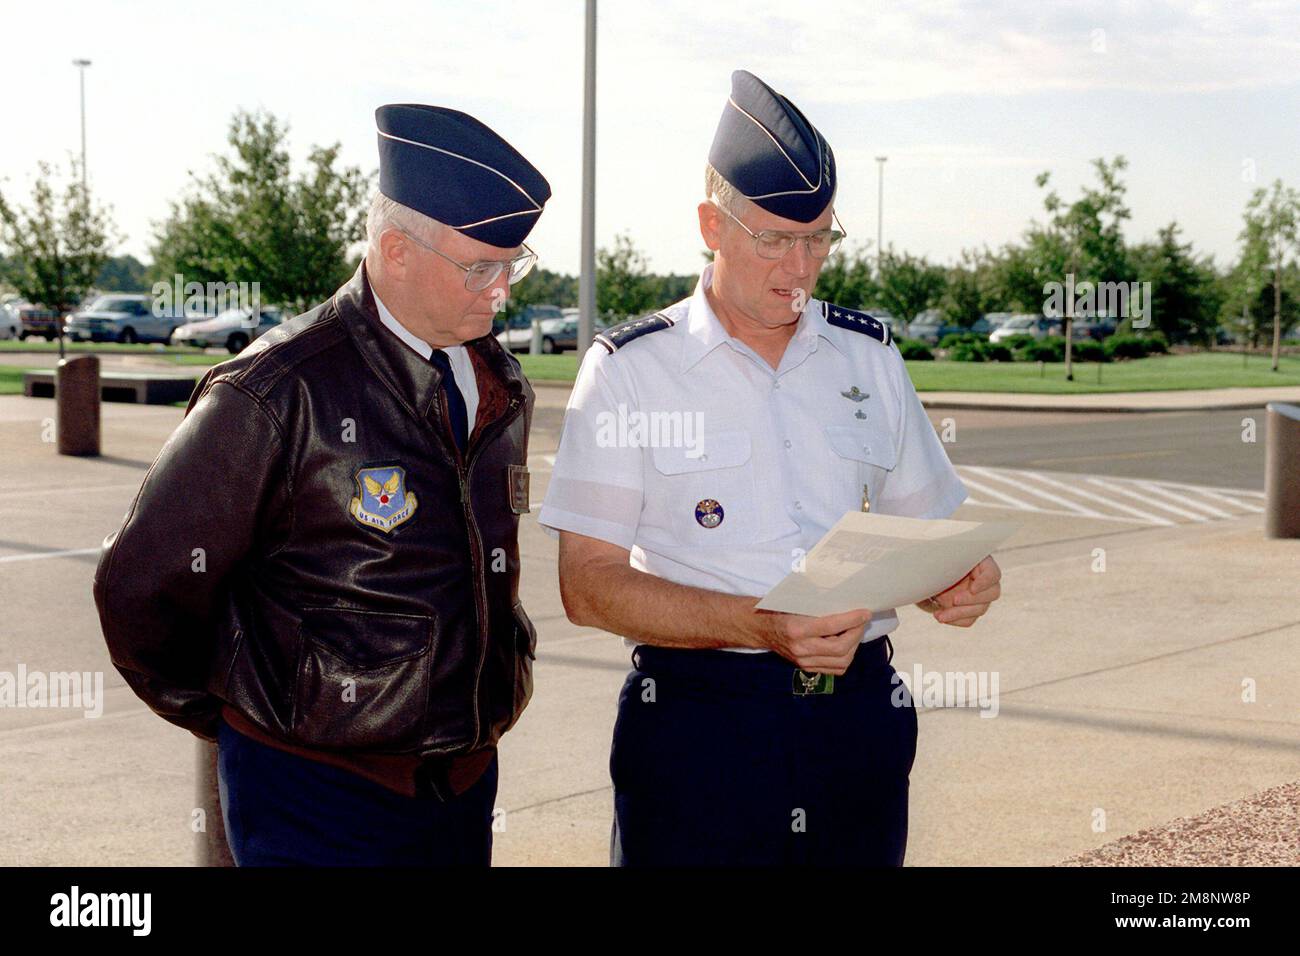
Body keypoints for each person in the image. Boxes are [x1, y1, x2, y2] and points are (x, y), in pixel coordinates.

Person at [538, 70, 1003, 866]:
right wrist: (760, 625)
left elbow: (926, 529)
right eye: (775, 239)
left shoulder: (870, 357)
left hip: (857, 722)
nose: (801, 266)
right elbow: (586, 586)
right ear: (709, 225)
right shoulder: (628, 371)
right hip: (697, 725)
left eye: (820, 237)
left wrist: (958, 576)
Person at [93, 103, 551, 866]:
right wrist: (246, 716)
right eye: (481, 267)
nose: (501, 290)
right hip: (314, 792)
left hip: (463, 784)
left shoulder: (497, 382)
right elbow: (142, 584)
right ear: (396, 250)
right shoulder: (277, 392)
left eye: (515, 263)